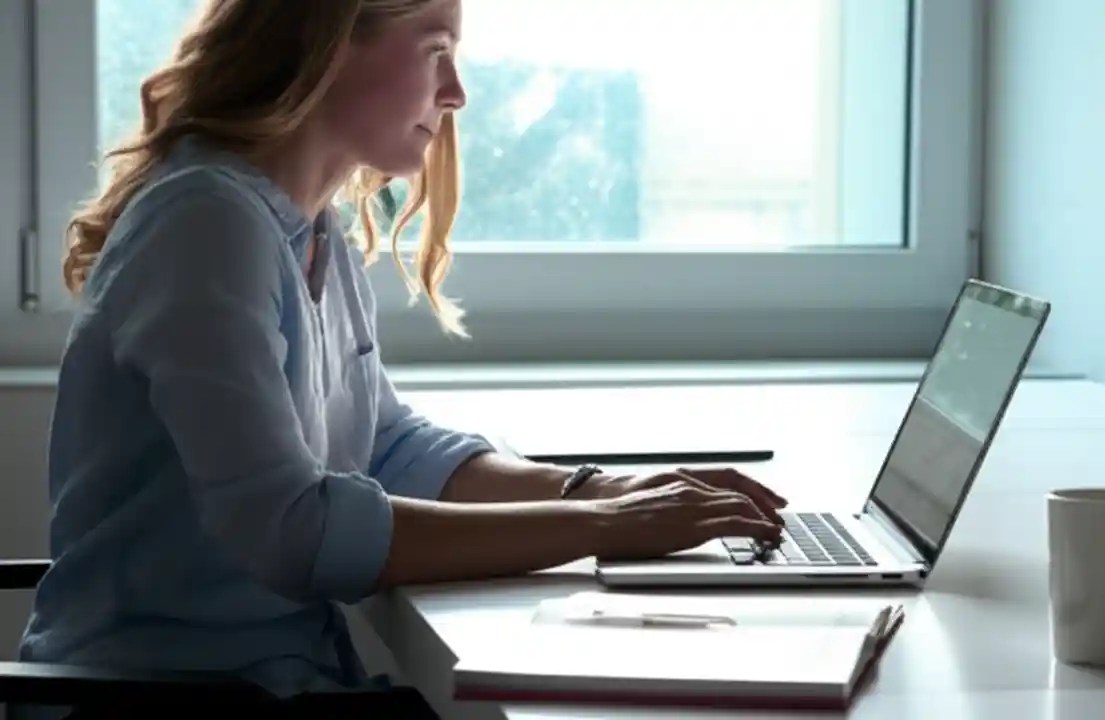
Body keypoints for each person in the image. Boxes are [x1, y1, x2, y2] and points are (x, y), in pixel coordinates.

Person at [16, 1, 786, 717]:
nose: (456, 94)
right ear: (330, 40)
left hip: (276, 680)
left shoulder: (311, 234)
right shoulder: (206, 226)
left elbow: (388, 448)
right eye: (437, 50)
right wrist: (603, 525)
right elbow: (295, 532)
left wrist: (604, 488)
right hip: (157, 698)